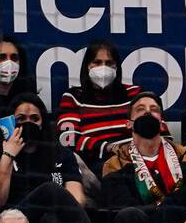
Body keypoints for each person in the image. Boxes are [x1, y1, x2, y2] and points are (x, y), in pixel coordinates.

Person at [0, 93, 86, 223]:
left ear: (43, 123)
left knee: (50, 218)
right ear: (11, 123)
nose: (28, 123)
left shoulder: (62, 154)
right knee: (49, 189)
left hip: (53, 221)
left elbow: (77, 200)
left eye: (35, 119)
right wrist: (8, 155)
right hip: (13, 220)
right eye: (21, 119)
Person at [102, 92, 186, 223]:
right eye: (140, 109)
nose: (148, 112)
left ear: (162, 122)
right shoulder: (115, 164)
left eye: (154, 109)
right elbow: (121, 207)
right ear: (128, 124)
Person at [56, 38, 141, 167]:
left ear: (116, 67)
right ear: (87, 66)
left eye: (109, 63)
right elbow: (67, 140)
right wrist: (110, 148)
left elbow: (158, 131)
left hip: (138, 162)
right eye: (97, 62)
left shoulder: (135, 94)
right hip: (96, 167)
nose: (103, 67)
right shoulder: (73, 97)